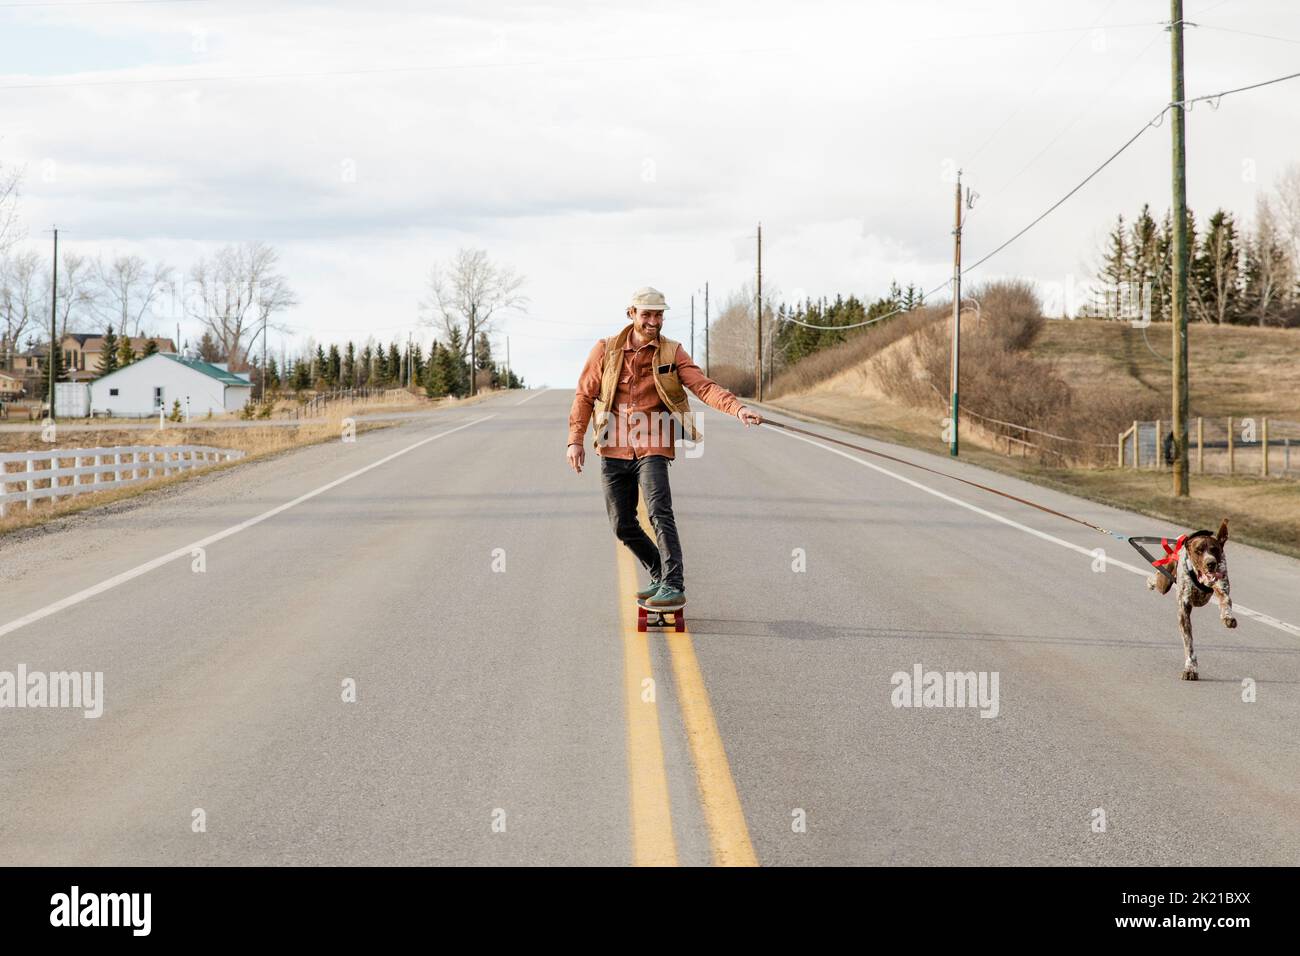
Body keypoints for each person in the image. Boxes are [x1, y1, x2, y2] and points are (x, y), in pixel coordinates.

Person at [566, 286, 763, 610]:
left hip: (654, 442)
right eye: (647, 315)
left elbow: (703, 386)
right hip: (613, 446)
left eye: (659, 315)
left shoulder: (672, 352)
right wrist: (575, 441)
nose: (654, 321)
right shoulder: (605, 350)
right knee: (623, 524)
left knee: (659, 511)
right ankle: (660, 573)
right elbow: (584, 396)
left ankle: (673, 584)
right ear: (632, 314)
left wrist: (738, 409)